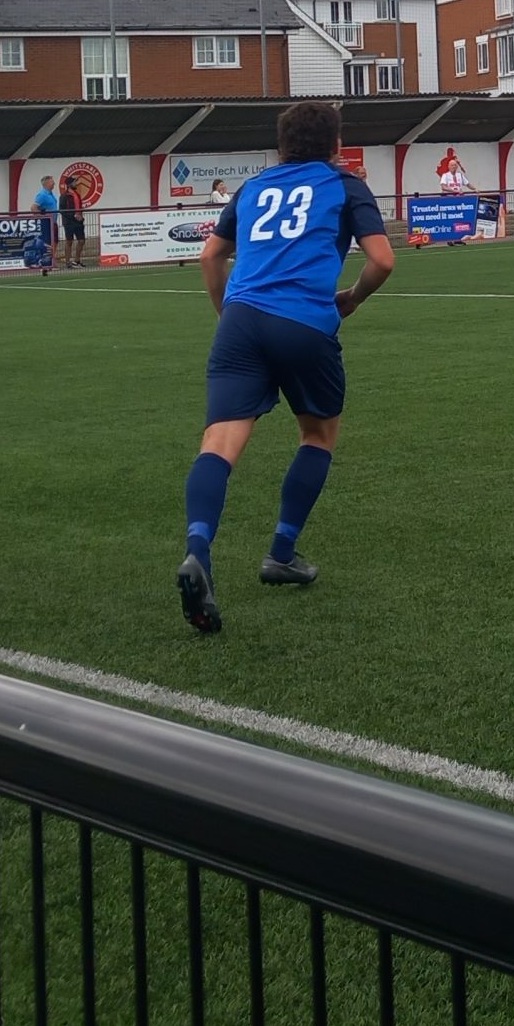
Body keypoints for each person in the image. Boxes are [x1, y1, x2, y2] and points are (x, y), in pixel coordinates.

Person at [177, 100, 394, 636]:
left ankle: (198, 549)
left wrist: (228, 314)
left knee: (218, 445)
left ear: (281, 146)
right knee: (317, 436)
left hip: (241, 322)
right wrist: (351, 300)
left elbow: (210, 256)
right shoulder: (344, 186)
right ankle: (280, 552)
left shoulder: (252, 189)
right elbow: (383, 259)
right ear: (335, 146)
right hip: (303, 322)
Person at [31, 174, 60, 275]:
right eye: (52, 182)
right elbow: (34, 208)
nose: (54, 184)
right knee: (48, 243)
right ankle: (45, 263)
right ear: (47, 183)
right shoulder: (42, 195)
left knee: (55, 242)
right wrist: (42, 216)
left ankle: (51, 261)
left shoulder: (51, 194)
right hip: (47, 223)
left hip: (54, 222)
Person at [58, 176, 88, 268]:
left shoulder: (77, 194)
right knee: (69, 241)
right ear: (70, 184)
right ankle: (68, 262)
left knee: (81, 240)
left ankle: (77, 260)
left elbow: (79, 207)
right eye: (75, 182)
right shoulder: (64, 196)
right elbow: (61, 210)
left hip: (78, 222)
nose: (76, 184)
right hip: (69, 222)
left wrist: (81, 217)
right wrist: (73, 216)